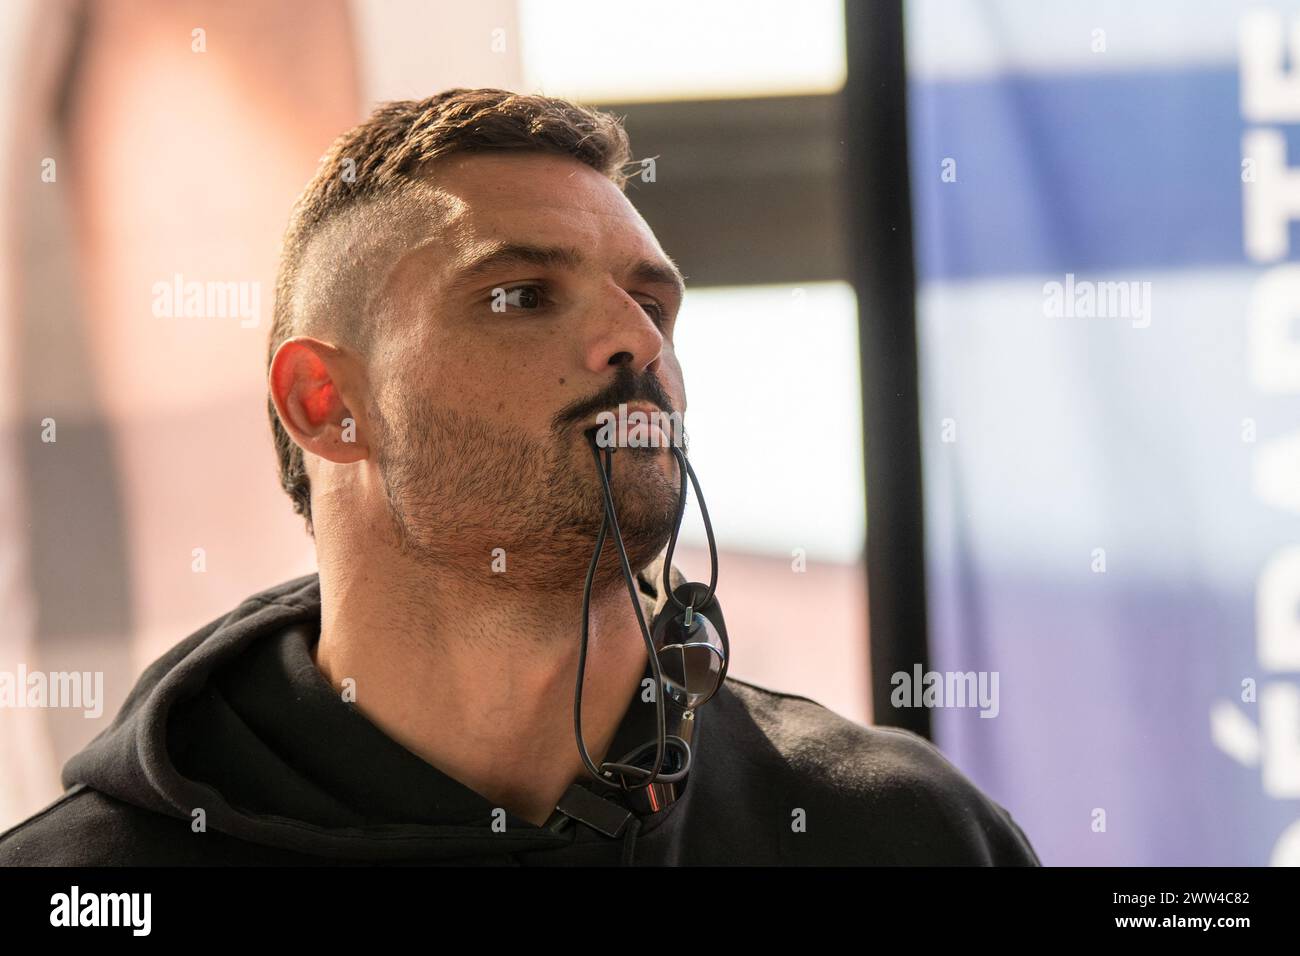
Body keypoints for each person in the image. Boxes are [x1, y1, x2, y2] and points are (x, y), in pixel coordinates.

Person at [0, 89, 1039, 866]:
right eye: (520, 294)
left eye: (652, 301)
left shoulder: (897, 833)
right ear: (326, 403)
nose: (633, 340)